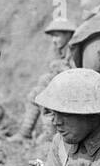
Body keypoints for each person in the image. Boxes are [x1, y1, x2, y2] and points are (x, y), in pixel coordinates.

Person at [18, 9, 76, 139]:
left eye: (57, 35)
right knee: (36, 92)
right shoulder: (62, 50)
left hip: (72, 91)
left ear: (68, 34)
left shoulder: (75, 49)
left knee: (41, 93)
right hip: (61, 88)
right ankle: (25, 131)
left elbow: (75, 73)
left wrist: (59, 68)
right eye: (53, 36)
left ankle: (50, 133)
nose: (54, 40)